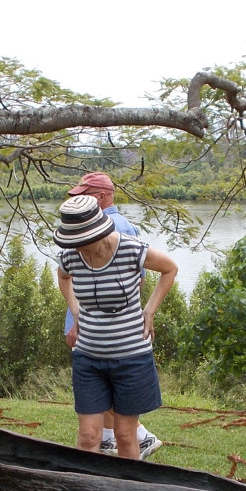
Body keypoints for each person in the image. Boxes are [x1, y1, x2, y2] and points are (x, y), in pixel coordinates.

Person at [56, 193, 177, 461]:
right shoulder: (71, 257)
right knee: (89, 437)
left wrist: (150, 310)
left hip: (131, 357)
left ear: (99, 232)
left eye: (83, 242)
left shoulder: (131, 249)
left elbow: (169, 268)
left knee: (125, 435)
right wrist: (75, 311)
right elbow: (63, 276)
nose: (79, 249)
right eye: (73, 243)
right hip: (88, 357)